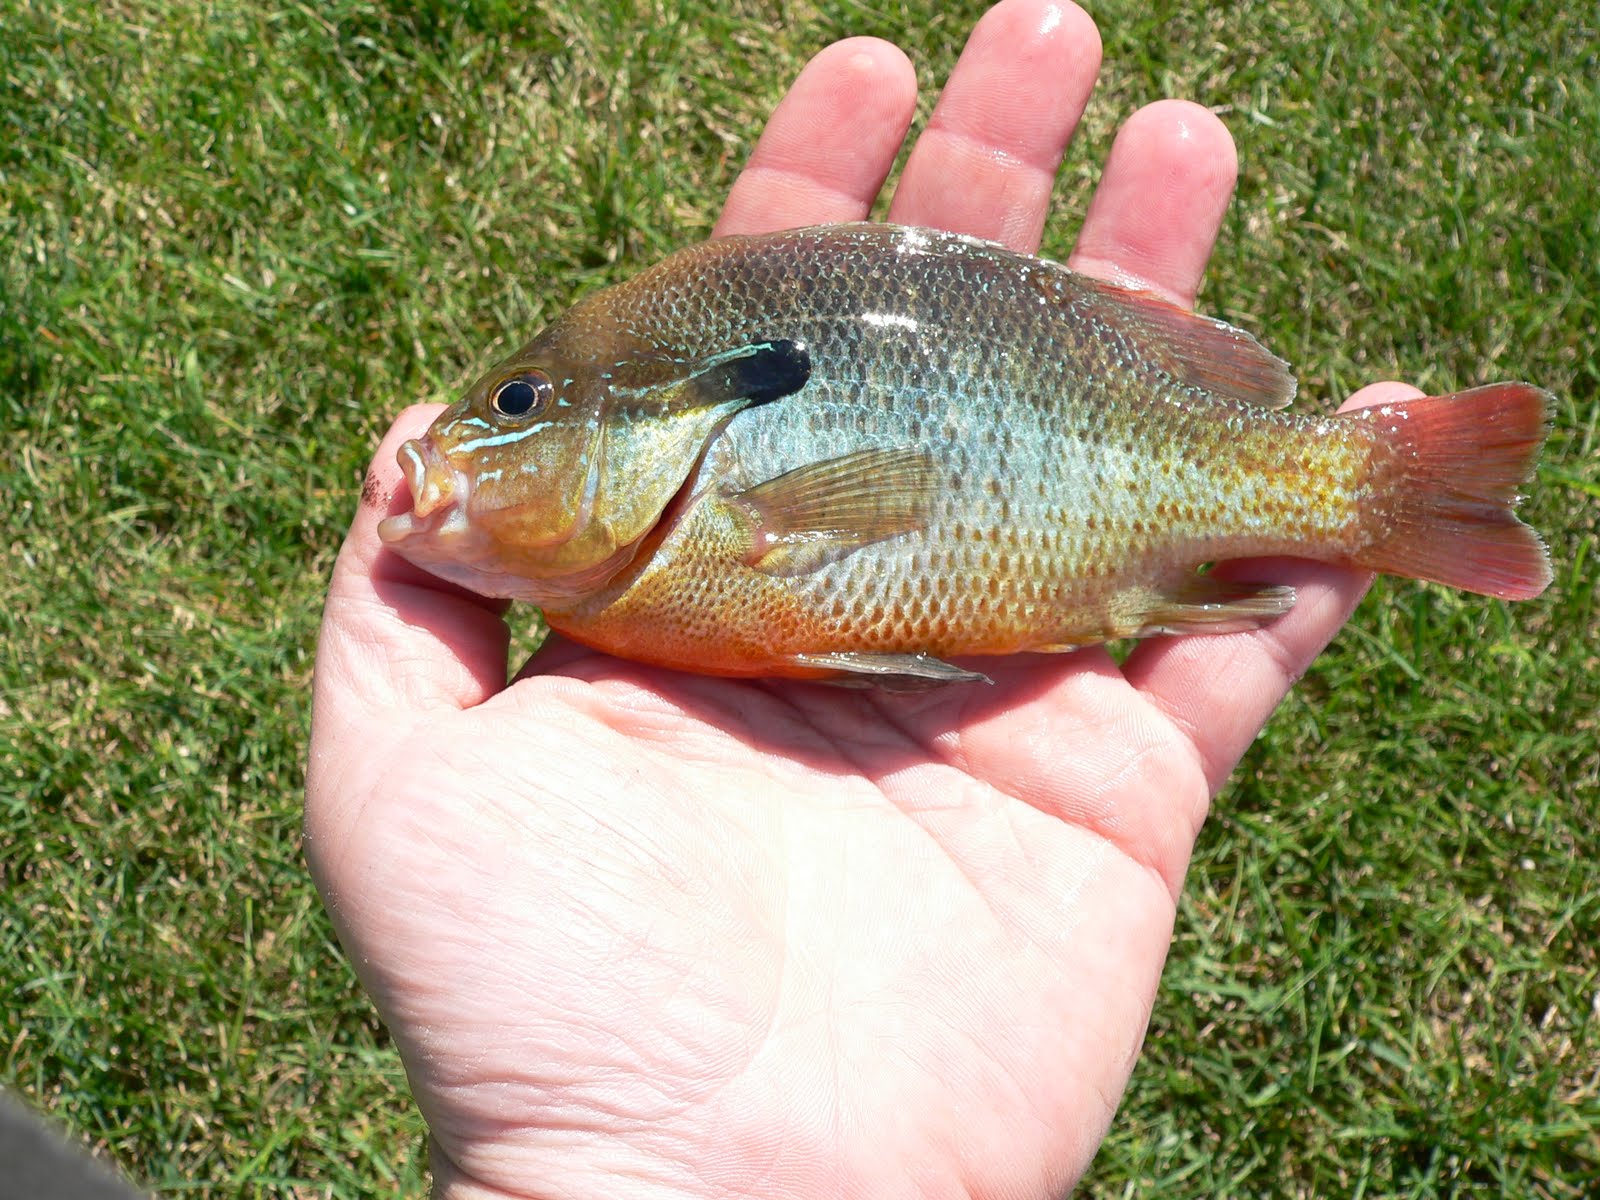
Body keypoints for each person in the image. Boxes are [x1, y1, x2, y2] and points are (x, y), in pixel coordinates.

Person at [307, 1, 1415, 1194]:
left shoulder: (651, 569)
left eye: (519, 404)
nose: (452, 447)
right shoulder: (622, 592)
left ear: (663, 412)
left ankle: (1381, 486)